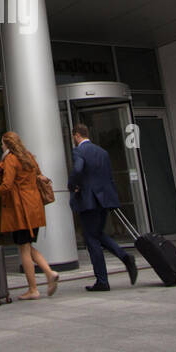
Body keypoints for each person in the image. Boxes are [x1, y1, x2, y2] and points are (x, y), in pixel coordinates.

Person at [0, 131, 59, 300]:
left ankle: (33, 289)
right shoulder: (29, 157)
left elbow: (7, 185)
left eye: (2, 143)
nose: (0, 145)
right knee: (28, 246)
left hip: (21, 210)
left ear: (8, 144)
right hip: (35, 208)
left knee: (23, 249)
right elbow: (39, 176)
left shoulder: (10, 159)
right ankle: (49, 273)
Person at [68, 123, 138, 292]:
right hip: (104, 200)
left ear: (77, 136)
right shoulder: (102, 152)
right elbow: (108, 176)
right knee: (97, 234)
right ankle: (125, 257)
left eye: (73, 137)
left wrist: (73, 185)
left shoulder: (79, 151)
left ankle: (102, 280)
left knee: (91, 239)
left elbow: (78, 169)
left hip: (88, 201)